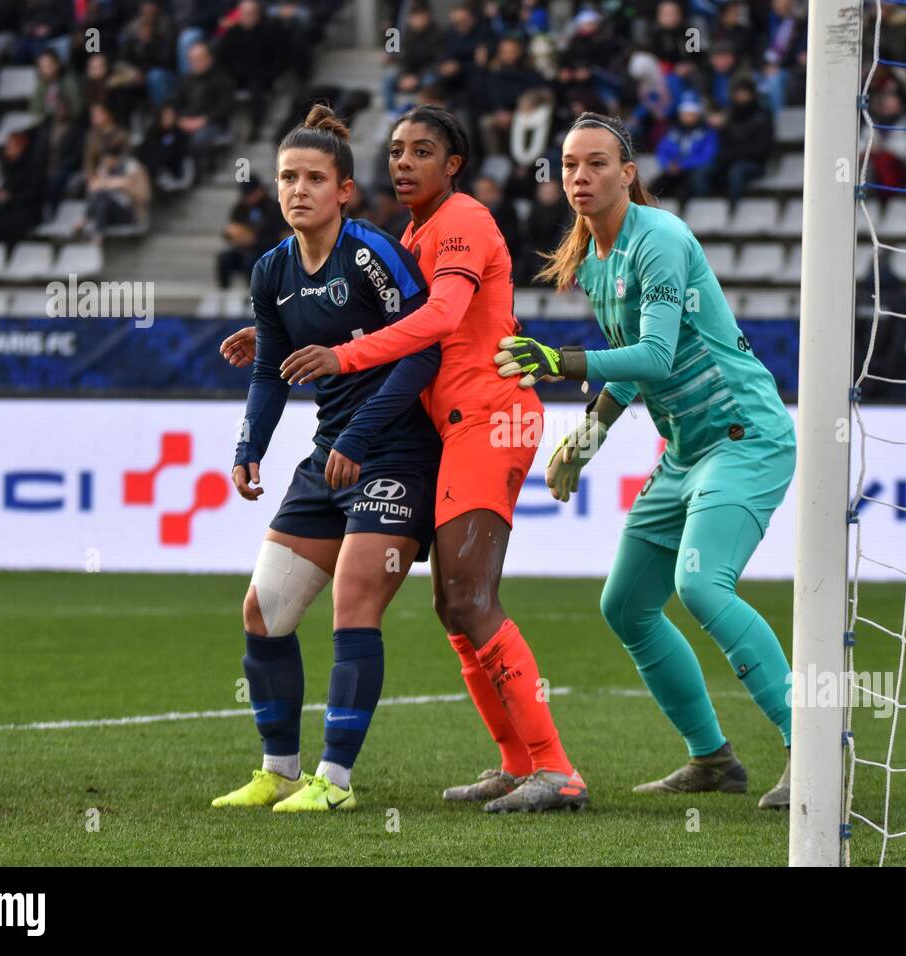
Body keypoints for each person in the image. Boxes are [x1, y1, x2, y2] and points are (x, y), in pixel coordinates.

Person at [220, 104, 588, 813]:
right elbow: (371, 307)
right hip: (448, 428)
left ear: (455, 165)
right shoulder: (412, 235)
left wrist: (341, 353)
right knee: (454, 605)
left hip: (492, 417)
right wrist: (280, 327)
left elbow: (440, 321)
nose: (404, 163)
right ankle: (516, 763)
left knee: (470, 598)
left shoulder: (465, 222)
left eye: (423, 151)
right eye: (396, 151)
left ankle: (556, 767)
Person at [495, 112, 795, 809]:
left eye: (597, 163)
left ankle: (812, 749)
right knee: (626, 605)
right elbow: (634, 371)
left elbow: (656, 355)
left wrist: (556, 361)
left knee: (700, 586)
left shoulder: (658, 239)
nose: (580, 176)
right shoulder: (595, 259)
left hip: (743, 436)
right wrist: (589, 439)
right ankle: (713, 759)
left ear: (627, 174)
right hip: (688, 449)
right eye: (570, 164)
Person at [210, 104, 443, 814]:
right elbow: (270, 369)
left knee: (353, 601)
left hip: (394, 453)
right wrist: (250, 447)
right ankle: (279, 771)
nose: (298, 189)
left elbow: (423, 347)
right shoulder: (272, 269)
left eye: (314, 177)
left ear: (344, 190)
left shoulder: (369, 254)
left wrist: (360, 437)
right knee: (264, 610)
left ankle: (334, 781)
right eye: (287, 177)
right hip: (330, 454)